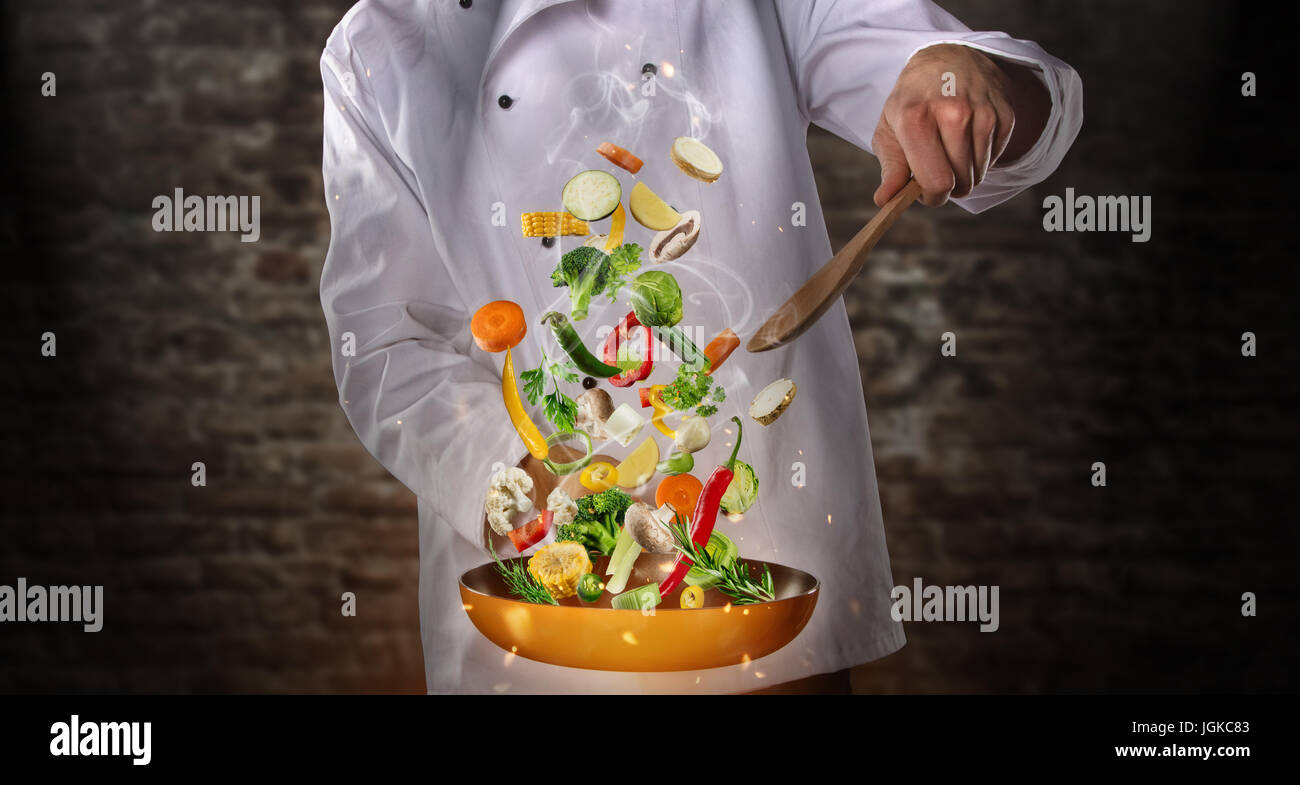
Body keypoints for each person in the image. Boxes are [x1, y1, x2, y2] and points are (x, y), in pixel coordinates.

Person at [319, 0, 1081, 694]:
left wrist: (968, 81)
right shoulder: (376, 48)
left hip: (769, 618)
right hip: (536, 630)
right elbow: (385, 341)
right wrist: (536, 491)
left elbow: (983, 89)